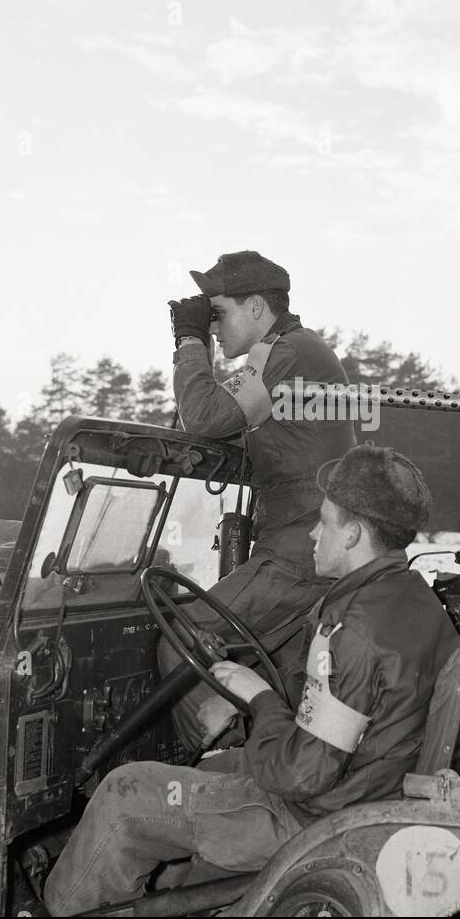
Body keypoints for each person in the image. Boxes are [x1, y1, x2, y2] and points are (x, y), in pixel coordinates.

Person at [43, 445, 460, 915]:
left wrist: (257, 697)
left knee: (123, 793)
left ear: (353, 536)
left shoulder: (354, 626)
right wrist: (249, 705)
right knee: (205, 774)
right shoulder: (412, 600)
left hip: (313, 816)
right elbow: (338, 720)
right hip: (365, 792)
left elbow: (301, 773)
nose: (311, 533)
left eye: (324, 522)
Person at [160, 250, 356, 753]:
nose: (215, 326)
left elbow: (204, 416)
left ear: (254, 308)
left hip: (297, 557)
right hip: (309, 553)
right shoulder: (295, 352)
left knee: (179, 637)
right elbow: (234, 438)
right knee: (277, 680)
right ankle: (242, 760)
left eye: (217, 312)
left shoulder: (285, 352)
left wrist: (188, 339)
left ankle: (204, 759)